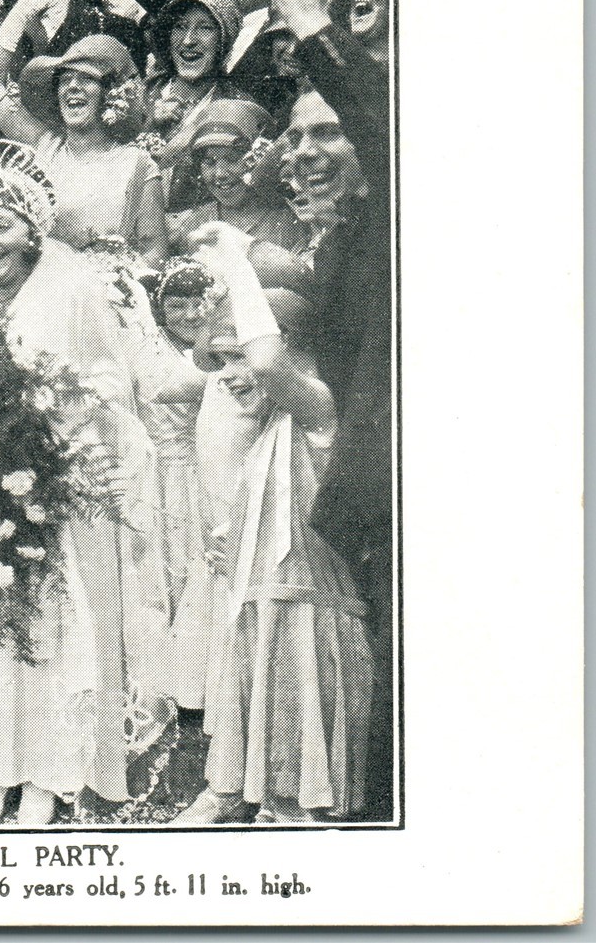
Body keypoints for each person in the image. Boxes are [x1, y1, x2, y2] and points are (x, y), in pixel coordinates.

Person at [0, 139, 171, 824]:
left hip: (56, 484)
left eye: (2, 224)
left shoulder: (73, 285)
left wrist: (59, 427)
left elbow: (111, 379)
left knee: (51, 625)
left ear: (32, 227)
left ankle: (50, 774)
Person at [174, 223, 373, 824]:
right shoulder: (250, 425)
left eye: (244, 356)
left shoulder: (315, 405)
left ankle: (294, 809)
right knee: (243, 682)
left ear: (291, 350)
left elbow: (265, 362)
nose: (235, 374)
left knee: (300, 698)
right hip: (255, 601)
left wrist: (237, 254)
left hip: (312, 608)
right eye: (223, 360)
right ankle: (233, 789)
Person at [270, 0, 395, 820]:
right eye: (294, 137)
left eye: (328, 132)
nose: (303, 151)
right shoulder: (347, 236)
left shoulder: (403, 206)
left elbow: (385, 113)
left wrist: (304, 10)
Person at [0, 0, 167, 267]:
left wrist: (108, 280)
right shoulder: (44, 147)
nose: (72, 87)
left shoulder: (137, 163)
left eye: (86, 78)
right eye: (65, 79)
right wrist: (26, 3)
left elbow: (156, 254)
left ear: (110, 94)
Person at [133, 260, 213, 712]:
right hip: (158, 474)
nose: (186, 315)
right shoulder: (154, 353)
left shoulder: (220, 349)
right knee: (161, 569)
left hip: (204, 470)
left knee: (198, 567)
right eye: (174, 306)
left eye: (196, 304)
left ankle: (197, 679)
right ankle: (160, 676)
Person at [143, 0, 256, 209]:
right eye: (180, 26)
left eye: (204, 28)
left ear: (224, 40)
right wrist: (147, 124)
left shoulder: (242, 109)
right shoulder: (138, 96)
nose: (188, 40)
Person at [170, 98, 307, 257]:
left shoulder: (289, 220)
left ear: (258, 160)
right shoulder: (195, 224)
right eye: (209, 162)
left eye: (232, 159)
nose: (220, 174)